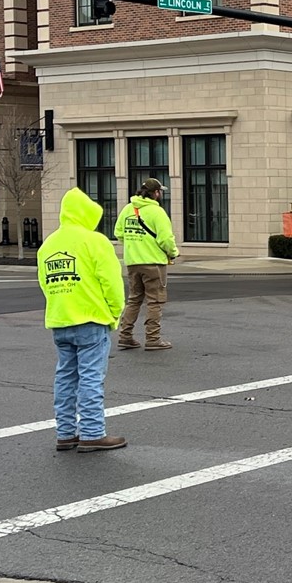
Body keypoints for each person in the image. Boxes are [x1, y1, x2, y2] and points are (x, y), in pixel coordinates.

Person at [38, 188, 128, 452]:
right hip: (91, 318)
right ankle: (92, 433)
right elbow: (111, 283)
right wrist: (114, 312)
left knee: (65, 376)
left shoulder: (48, 245)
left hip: (60, 318)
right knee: (90, 377)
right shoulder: (95, 241)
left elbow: (44, 282)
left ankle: (65, 433)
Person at [115, 177, 180, 351]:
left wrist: (134, 246)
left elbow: (118, 232)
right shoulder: (157, 212)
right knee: (155, 301)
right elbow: (166, 238)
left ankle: (125, 336)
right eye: (160, 192)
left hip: (133, 262)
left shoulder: (128, 209)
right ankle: (153, 338)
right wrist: (173, 253)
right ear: (156, 193)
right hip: (153, 262)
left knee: (134, 299)